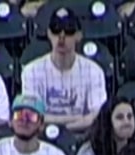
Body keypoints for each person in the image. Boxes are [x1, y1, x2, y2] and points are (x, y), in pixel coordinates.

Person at [19, 6, 108, 134]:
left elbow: (97, 116)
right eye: (56, 30)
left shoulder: (93, 71)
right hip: (42, 136)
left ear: (78, 35)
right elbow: (33, 116)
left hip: (82, 135)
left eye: (68, 31)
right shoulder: (32, 71)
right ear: (49, 34)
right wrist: (78, 119)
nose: (61, 36)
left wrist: (64, 128)